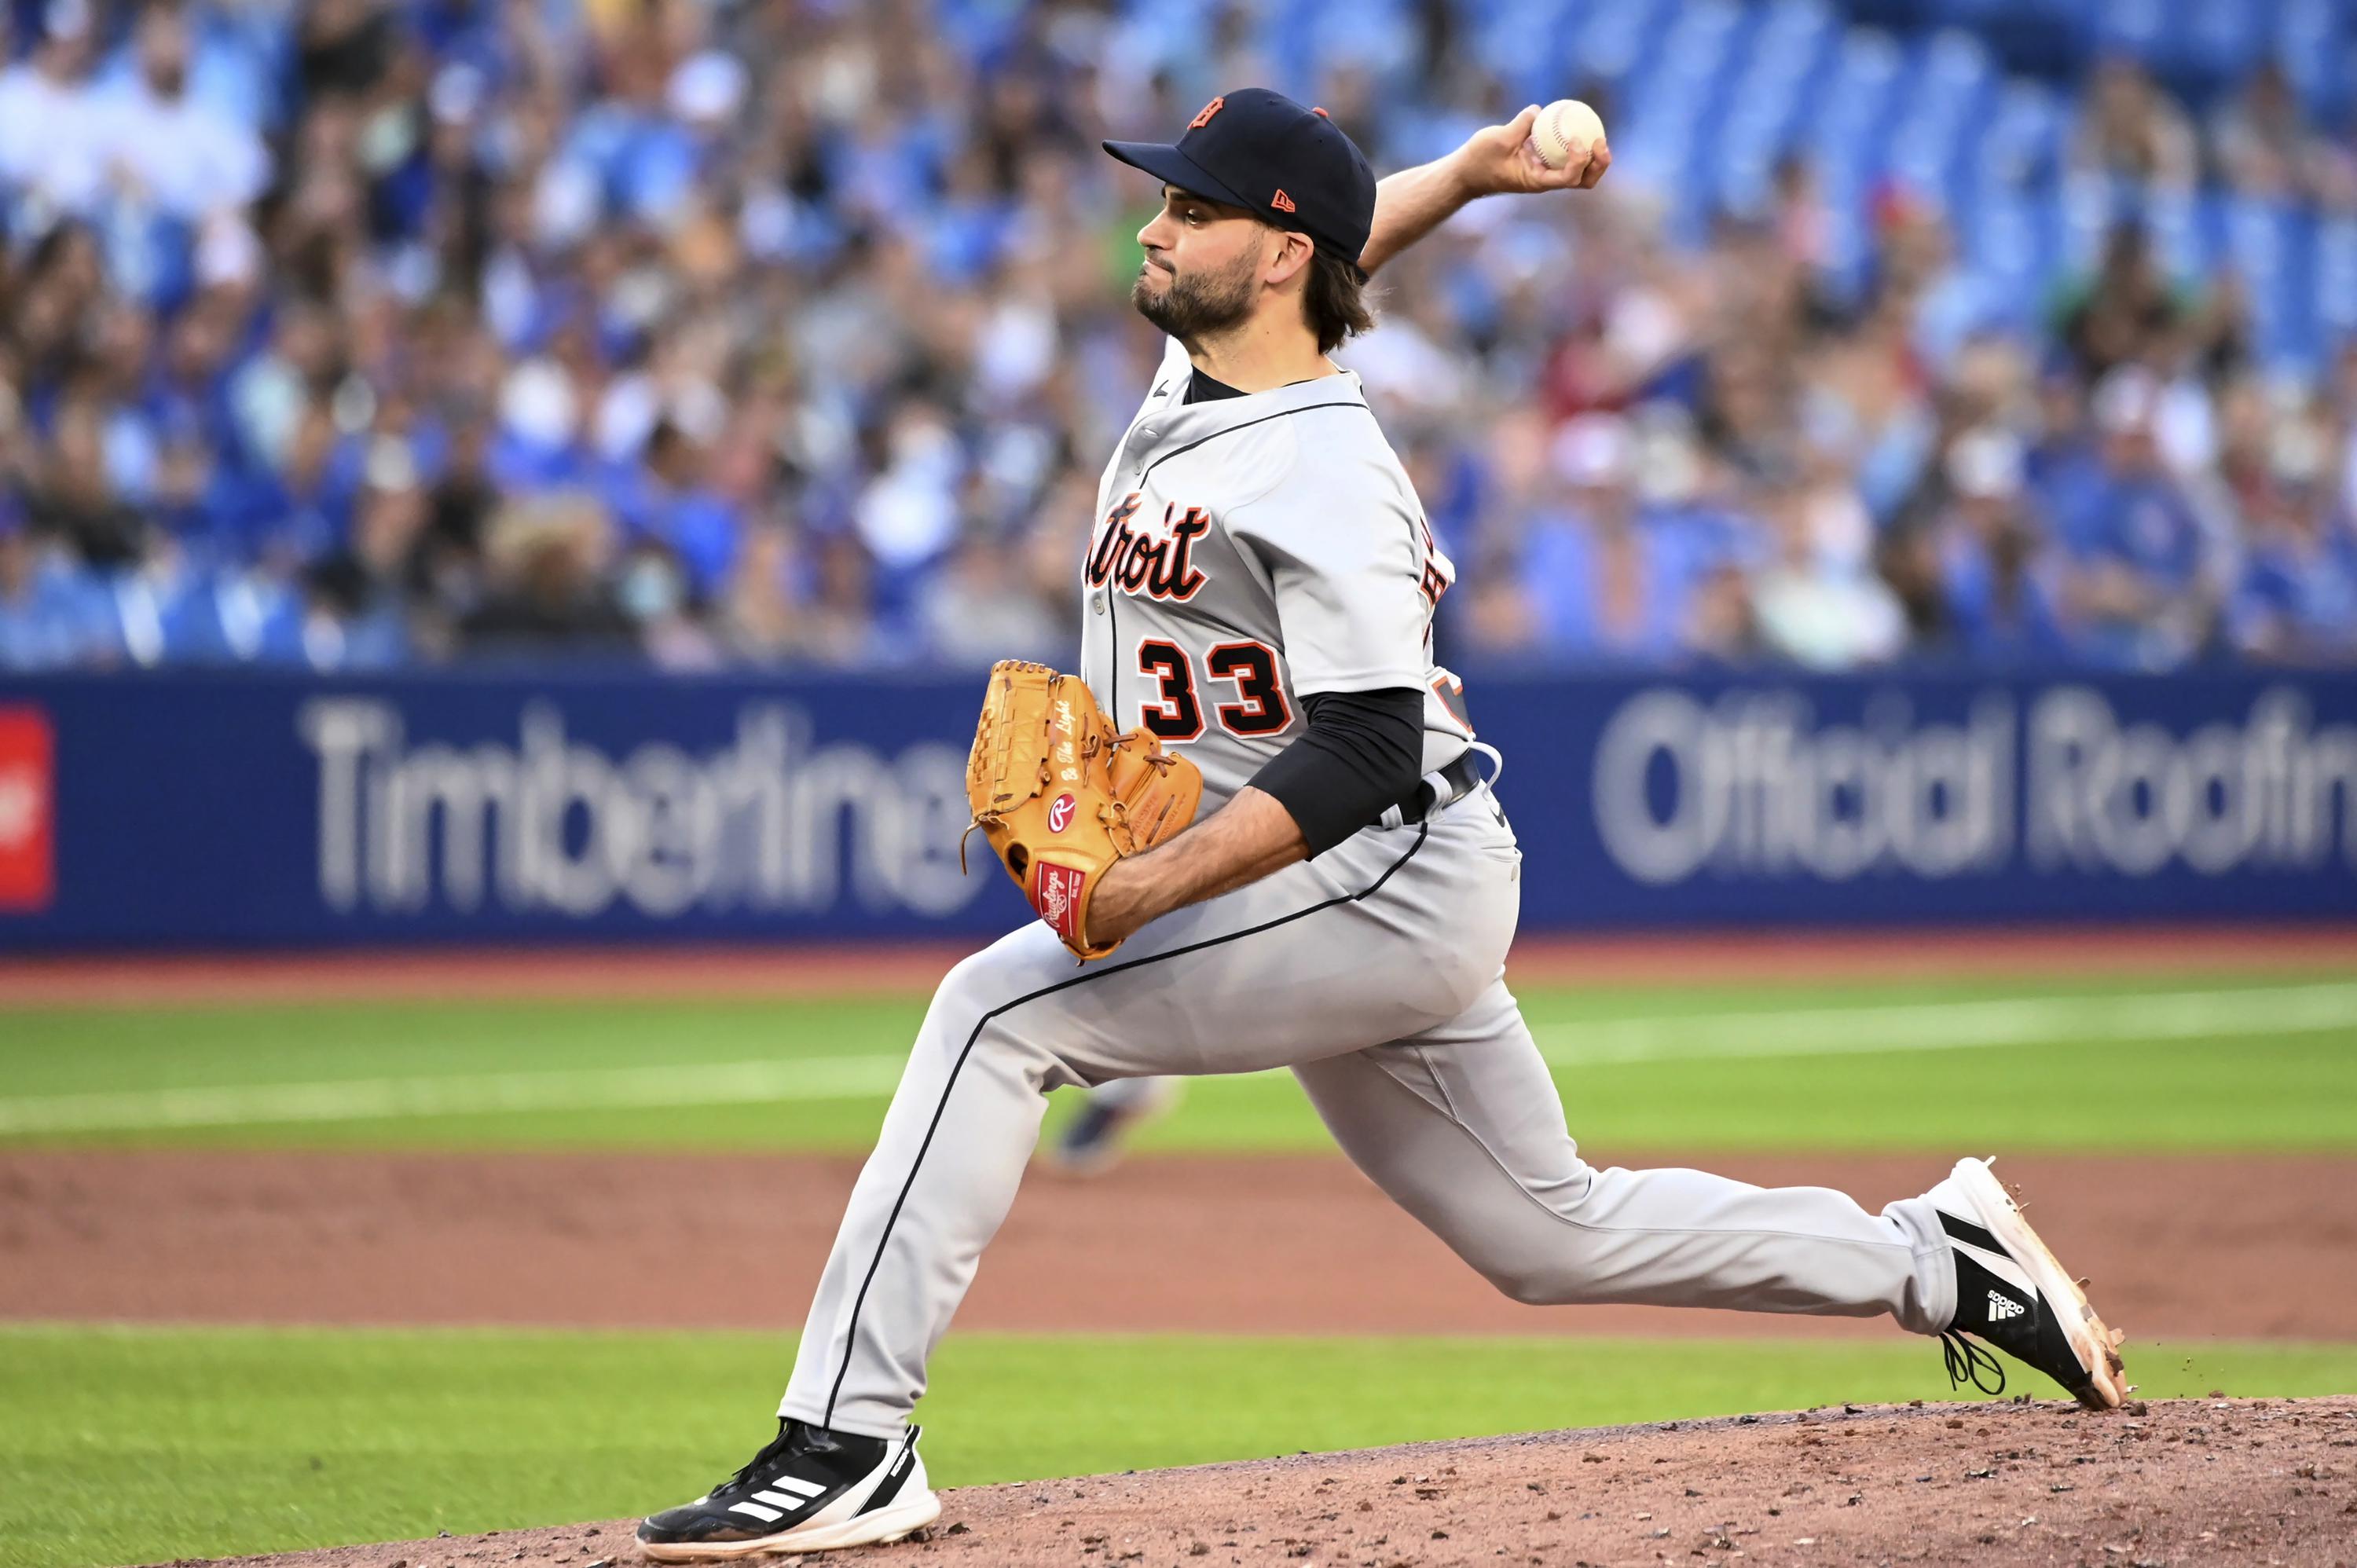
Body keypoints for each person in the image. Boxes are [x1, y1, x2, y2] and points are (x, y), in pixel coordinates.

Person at [635, 91, 2124, 1561]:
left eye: (1190, 210)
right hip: (1362, 870)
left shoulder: (1327, 469)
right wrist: (1471, 173)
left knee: (992, 1016)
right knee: (1554, 1234)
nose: (1153, 230)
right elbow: (1350, 237)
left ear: (1272, 257)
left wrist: (1154, 885)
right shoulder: (1204, 375)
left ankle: (845, 1443)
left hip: (1381, 870)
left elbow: (1361, 748)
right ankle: (1940, 1261)